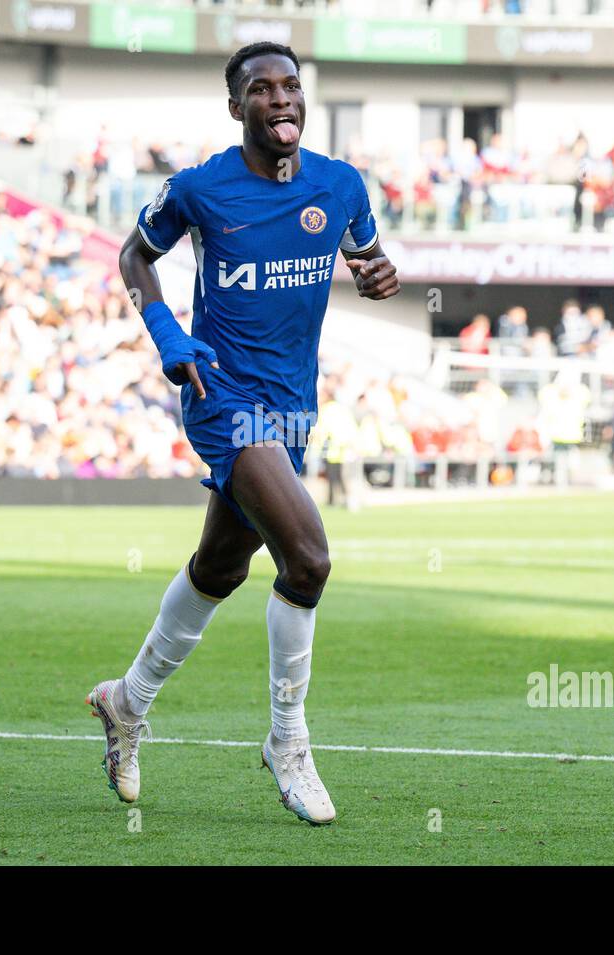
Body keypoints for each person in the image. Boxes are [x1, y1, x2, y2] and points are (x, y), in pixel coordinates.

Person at [89, 42, 400, 826]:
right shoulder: (200, 189)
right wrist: (166, 332)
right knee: (310, 558)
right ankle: (287, 740)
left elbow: (368, 255)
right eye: (261, 89)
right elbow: (135, 253)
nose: (281, 98)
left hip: (293, 408)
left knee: (219, 568)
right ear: (237, 109)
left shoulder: (341, 184)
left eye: (291, 85)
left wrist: (378, 271)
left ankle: (127, 702)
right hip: (218, 395)